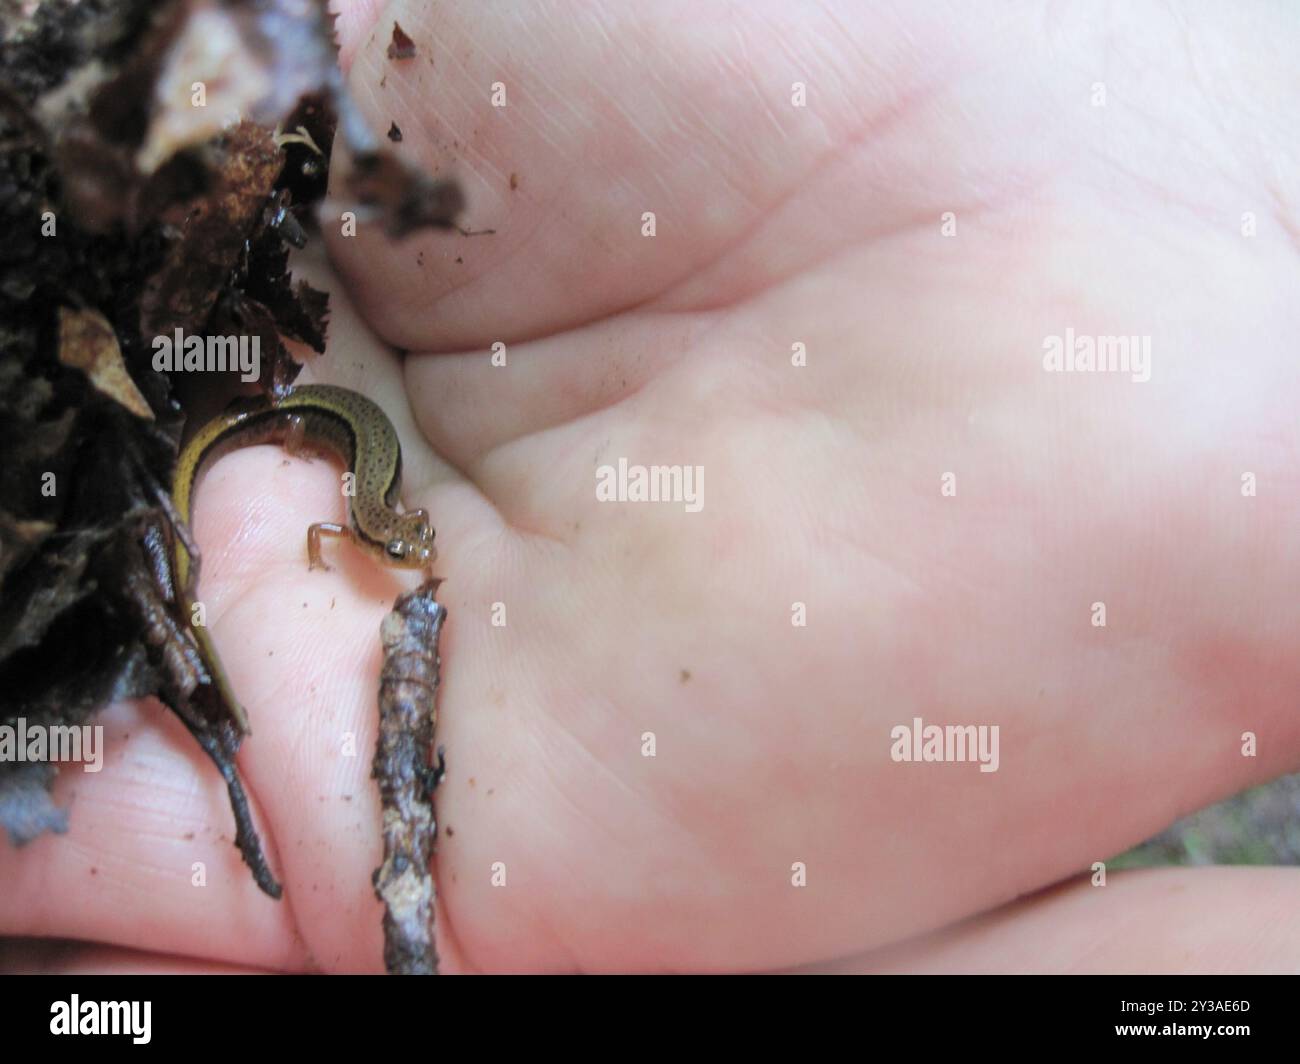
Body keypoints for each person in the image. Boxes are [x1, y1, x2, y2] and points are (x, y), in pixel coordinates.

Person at [3, 0, 1299, 973]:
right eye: (392, 548)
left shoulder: (374, 520)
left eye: (394, 550)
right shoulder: (358, 505)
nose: (397, 557)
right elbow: (322, 458)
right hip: (313, 410)